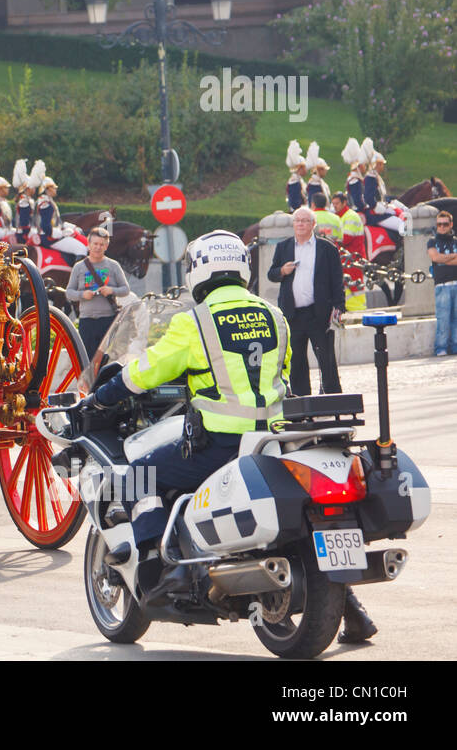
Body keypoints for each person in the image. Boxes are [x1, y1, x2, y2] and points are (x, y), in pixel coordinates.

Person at [82, 228, 377, 642]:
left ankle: (151, 567)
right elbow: (282, 374)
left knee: (139, 472)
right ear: (242, 268)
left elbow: (145, 371)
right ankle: (353, 610)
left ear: (198, 273)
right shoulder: (275, 316)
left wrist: (101, 395)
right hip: (274, 441)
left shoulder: (195, 322)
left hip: (219, 445)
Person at [267, 206, 344, 396]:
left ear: (313, 224)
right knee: (296, 362)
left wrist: (339, 306)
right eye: (297, 221)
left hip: (319, 312)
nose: (300, 224)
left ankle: (333, 399)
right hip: (293, 314)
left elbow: (337, 279)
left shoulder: (327, 248)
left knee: (326, 359)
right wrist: (282, 271)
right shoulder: (283, 247)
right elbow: (272, 274)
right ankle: (302, 401)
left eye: (305, 221)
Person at [65, 227, 130, 358]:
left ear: (106, 246)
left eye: (102, 244)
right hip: (87, 321)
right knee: (87, 362)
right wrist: (82, 295)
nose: (98, 247)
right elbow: (69, 293)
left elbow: (125, 290)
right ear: (88, 245)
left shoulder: (113, 265)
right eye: (95, 244)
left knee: (107, 361)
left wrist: (111, 290)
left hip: (108, 321)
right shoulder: (79, 267)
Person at [35, 168, 87, 259]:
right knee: (81, 249)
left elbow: (55, 222)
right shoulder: (45, 204)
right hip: (49, 238)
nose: (55, 189)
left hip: (51, 234)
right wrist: (62, 233)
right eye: (53, 187)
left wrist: (68, 226)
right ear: (47, 189)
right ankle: (76, 273)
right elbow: (46, 226)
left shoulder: (47, 201)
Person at [360, 138, 405, 237]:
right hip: (375, 214)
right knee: (403, 226)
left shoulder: (376, 177)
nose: (382, 167)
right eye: (381, 164)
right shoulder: (370, 178)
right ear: (377, 164)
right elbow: (368, 197)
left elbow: (381, 196)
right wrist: (377, 207)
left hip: (381, 210)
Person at [333, 191, 369, 312]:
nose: (335, 206)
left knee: (354, 286)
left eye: (337, 203)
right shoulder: (340, 217)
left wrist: (331, 239)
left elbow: (346, 238)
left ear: (344, 202)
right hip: (345, 260)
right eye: (333, 204)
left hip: (353, 260)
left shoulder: (350, 216)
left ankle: (358, 311)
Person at [429, 211, 457, 357]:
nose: (442, 227)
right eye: (439, 224)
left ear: (451, 224)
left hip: (456, 283)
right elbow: (435, 257)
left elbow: (440, 258)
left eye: (445, 224)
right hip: (442, 286)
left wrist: (443, 258)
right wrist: (451, 257)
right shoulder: (432, 241)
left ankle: (455, 346)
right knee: (443, 319)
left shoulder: (455, 241)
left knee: (456, 319)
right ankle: (440, 348)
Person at [343, 138, 367, 212]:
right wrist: (365, 208)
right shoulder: (354, 179)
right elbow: (357, 200)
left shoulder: (356, 177)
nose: (365, 167)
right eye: (364, 164)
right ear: (359, 166)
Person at [285, 140, 306, 211]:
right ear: (299, 168)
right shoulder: (294, 182)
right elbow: (295, 203)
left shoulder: (298, 180)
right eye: (304, 167)